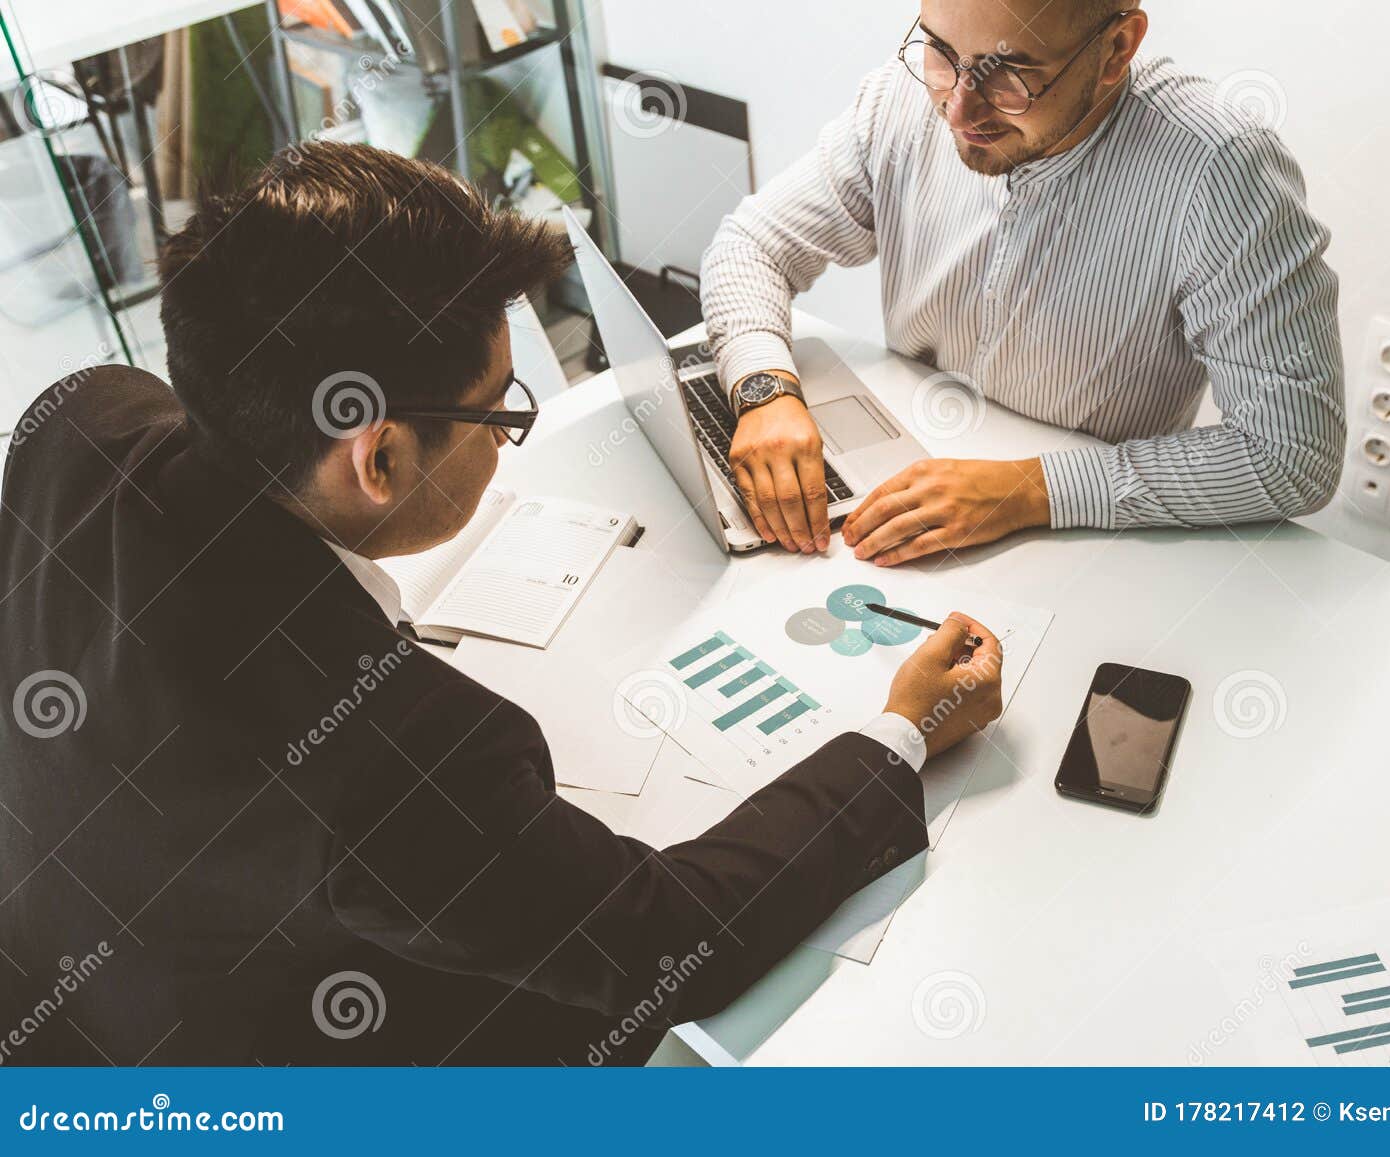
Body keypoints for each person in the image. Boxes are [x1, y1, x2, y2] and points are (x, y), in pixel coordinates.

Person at [0, 142, 1003, 1066]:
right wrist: (900, 731)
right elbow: (670, 938)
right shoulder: (396, 759)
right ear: (379, 455)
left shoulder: (82, 419)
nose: (501, 438)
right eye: (497, 411)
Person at [702, 0, 1345, 565]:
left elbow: (1292, 454)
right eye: (940, 50)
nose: (957, 107)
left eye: (1007, 74)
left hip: (1084, 548)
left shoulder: (1222, 172)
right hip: (901, 483)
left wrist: (1028, 491)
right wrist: (764, 391)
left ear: (1117, 48)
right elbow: (754, 244)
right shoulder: (899, 100)